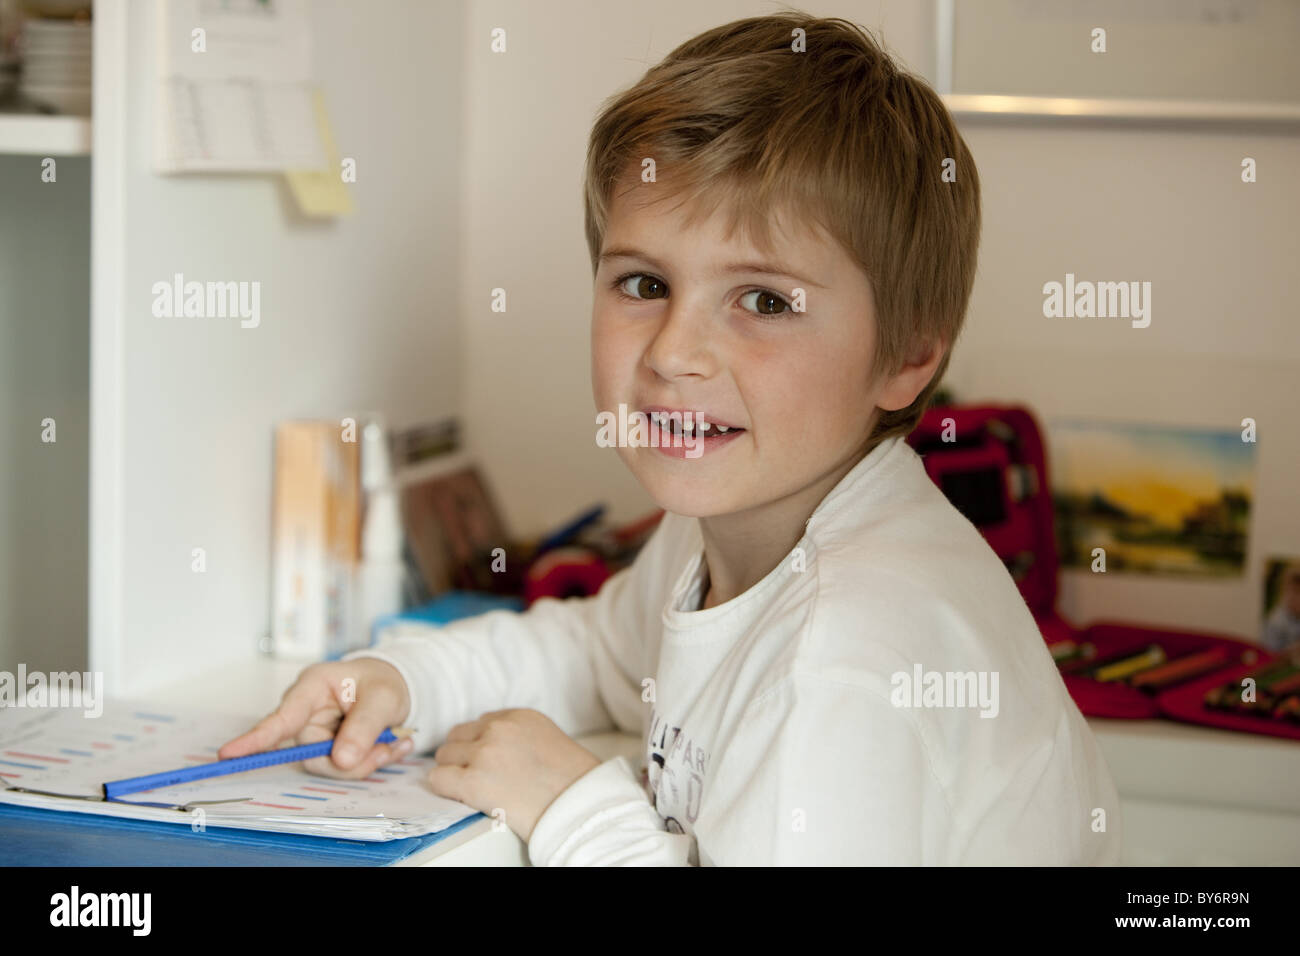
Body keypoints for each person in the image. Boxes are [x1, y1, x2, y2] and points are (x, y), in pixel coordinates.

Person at [221, 11, 1121, 865]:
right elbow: (596, 655)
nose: (674, 352)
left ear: (909, 355)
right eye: (644, 284)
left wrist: (575, 806)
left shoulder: (850, 653)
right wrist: (402, 677)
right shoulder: (731, 527)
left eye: (765, 301)